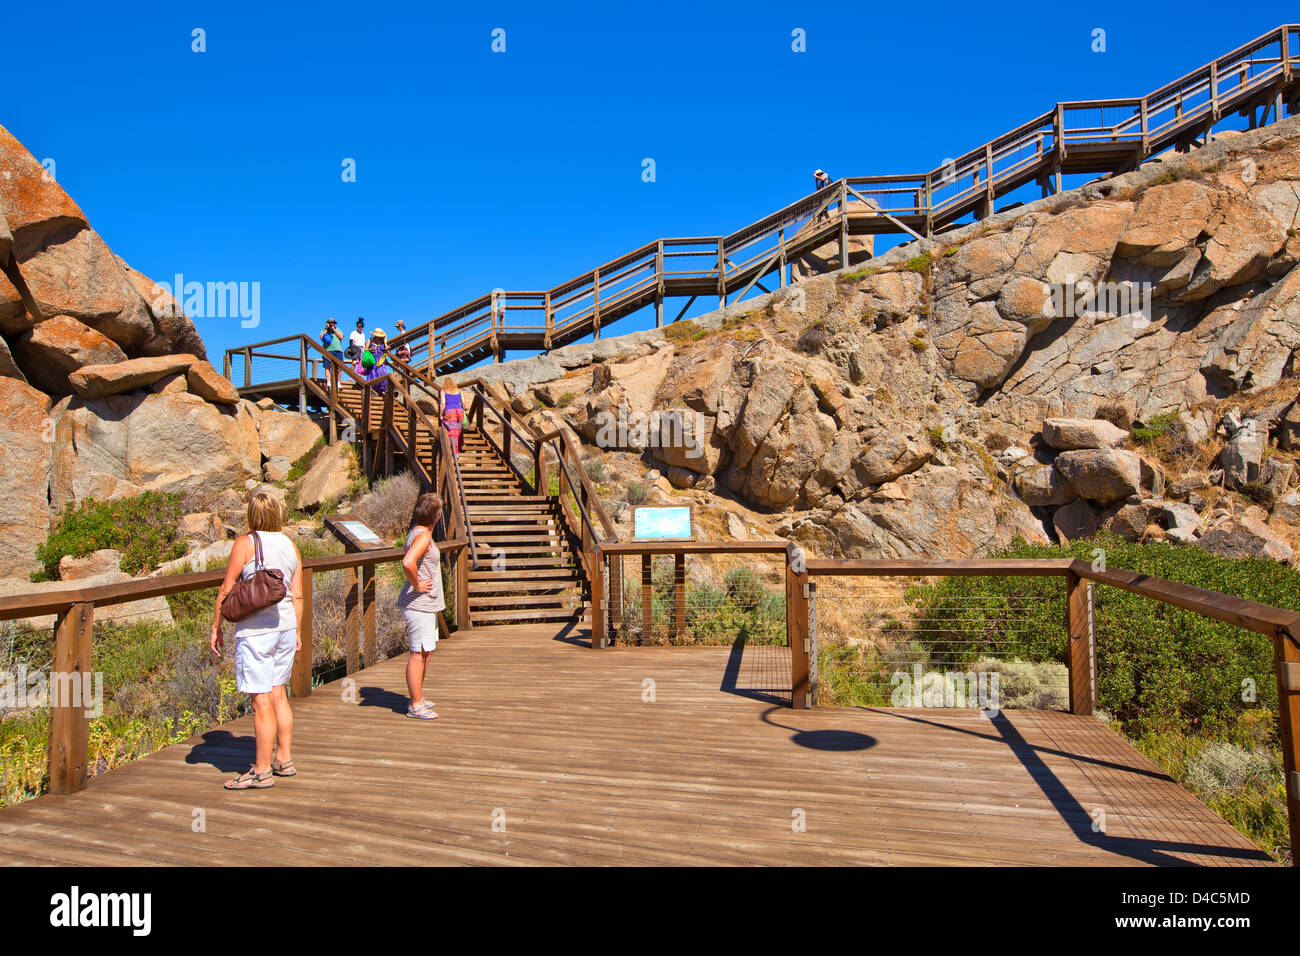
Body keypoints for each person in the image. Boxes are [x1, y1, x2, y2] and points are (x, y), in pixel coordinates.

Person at [210, 492, 304, 790]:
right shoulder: (290, 545)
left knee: (261, 700)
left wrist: (216, 626)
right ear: (278, 513)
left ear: (251, 514)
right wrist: (298, 631)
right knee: (279, 693)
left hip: (257, 631)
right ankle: (284, 759)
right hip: (286, 627)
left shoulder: (246, 543)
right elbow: (297, 594)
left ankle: (261, 772)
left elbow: (226, 589)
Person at [397, 493, 446, 719]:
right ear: (436, 517)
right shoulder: (424, 536)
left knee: (426, 651)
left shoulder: (416, 530)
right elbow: (408, 562)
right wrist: (416, 584)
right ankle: (415, 705)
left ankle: (417, 697)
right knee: (418, 653)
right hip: (419, 604)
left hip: (425, 604)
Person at [440, 377, 464, 455]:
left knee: (450, 432)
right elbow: (463, 403)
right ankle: (456, 452)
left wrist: (441, 414)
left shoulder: (444, 391)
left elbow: (443, 403)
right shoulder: (459, 390)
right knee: (457, 432)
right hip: (459, 412)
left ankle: (452, 452)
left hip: (450, 412)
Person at [320, 317, 344, 389]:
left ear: (334, 324)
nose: (331, 324)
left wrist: (334, 330)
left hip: (338, 350)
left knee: (339, 367)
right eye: (330, 323)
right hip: (327, 350)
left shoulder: (338, 329)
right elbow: (321, 337)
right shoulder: (324, 330)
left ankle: (338, 382)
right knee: (327, 367)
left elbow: (341, 337)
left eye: (332, 323)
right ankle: (328, 382)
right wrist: (326, 330)